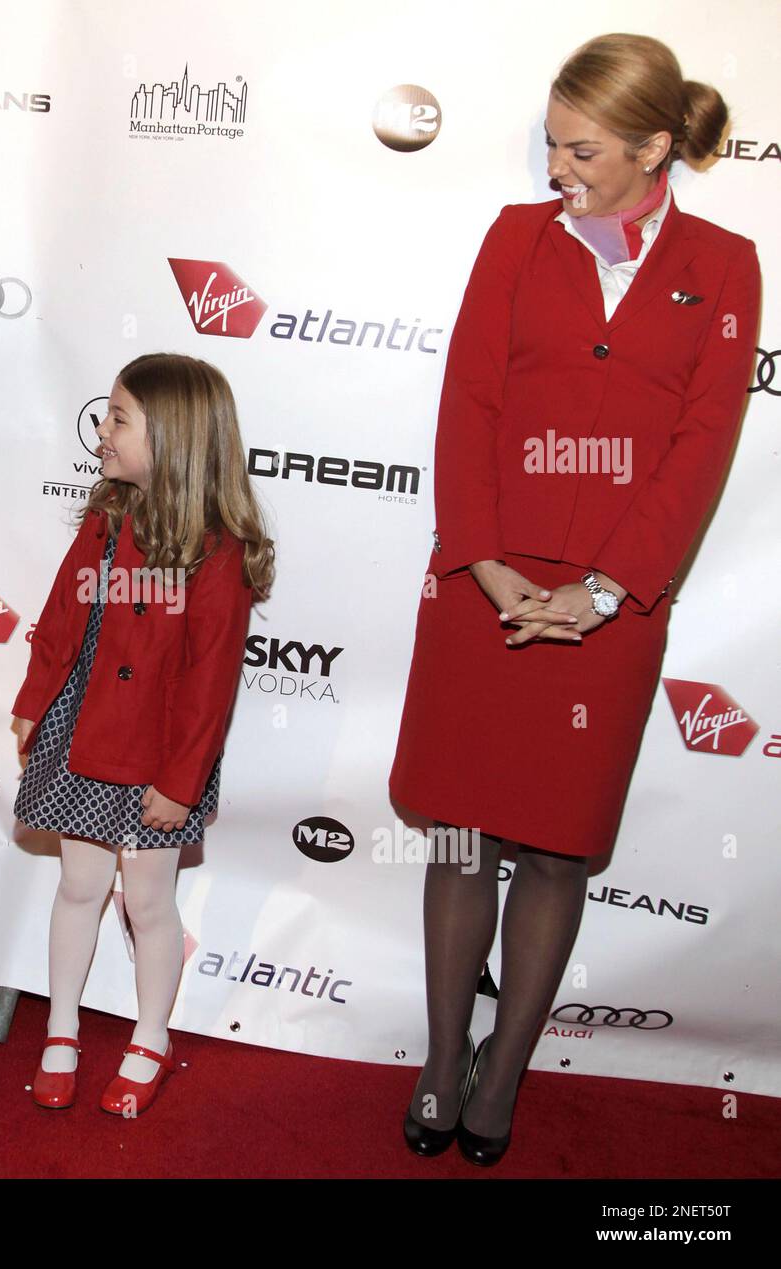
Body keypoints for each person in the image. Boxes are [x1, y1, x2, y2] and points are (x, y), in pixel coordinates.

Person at [389, 33, 760, 1165]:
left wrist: (603, 591)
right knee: (458, 837)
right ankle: (441, 1058)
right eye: (551, 142)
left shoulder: (728, 264)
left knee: (553, 853)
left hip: (611, 607)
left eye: (582, 148)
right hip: (485, 585)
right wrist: (485, 559)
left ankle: (504, 1074)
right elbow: (469, 402)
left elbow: (701, 448)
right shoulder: (512, 239)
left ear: (655, 148)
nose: (557, 166)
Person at [11, 353, 275, 1114]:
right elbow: (63, 615)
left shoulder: (218, 549)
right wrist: (34, 698)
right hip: (82, 728)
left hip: (157, 756)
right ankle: (61, 1029)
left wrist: (181, 781)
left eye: (119, 417)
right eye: (107, 414)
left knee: (147, 903)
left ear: (177, 436)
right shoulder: (106, 516)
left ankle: (150, 1036)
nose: (102, 428)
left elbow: (209, 681)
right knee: (79, 886)